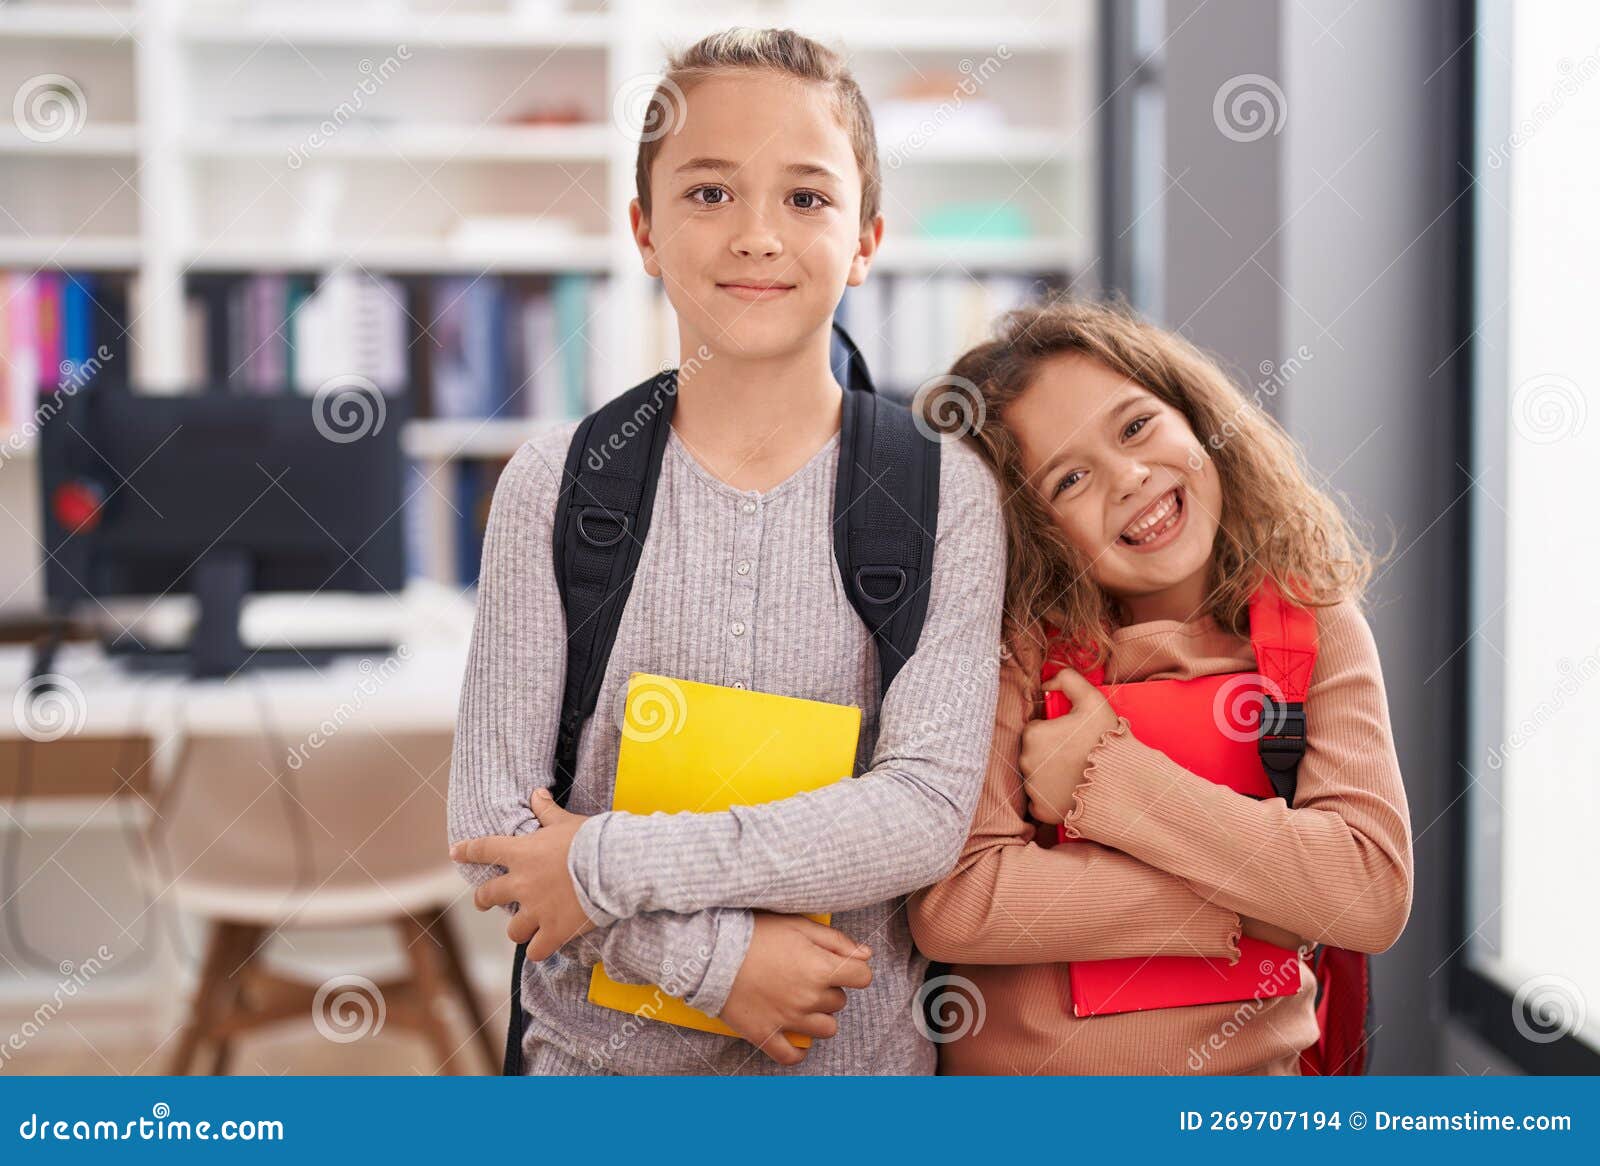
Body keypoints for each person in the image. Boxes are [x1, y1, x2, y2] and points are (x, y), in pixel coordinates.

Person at [447, 27, 1006, 1075]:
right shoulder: (553, 486)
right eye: (708, 192)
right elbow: (495, 828)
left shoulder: (944, 494)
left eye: (805, 197)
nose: (756, 234)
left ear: (868, 236)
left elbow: (922, 810)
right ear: (644, 229)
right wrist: (718, 961)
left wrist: (601, 858)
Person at [907, 296, 1414, 1074]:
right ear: (1029, 530)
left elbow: (1368, 891)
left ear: (1194, 414)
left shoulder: (1314, 624)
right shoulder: (1008, 646)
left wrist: (1107, 776)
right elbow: (959, 905)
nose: (1131, 477)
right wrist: (1264, 900)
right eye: (1070, 478)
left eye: (1137, 426)